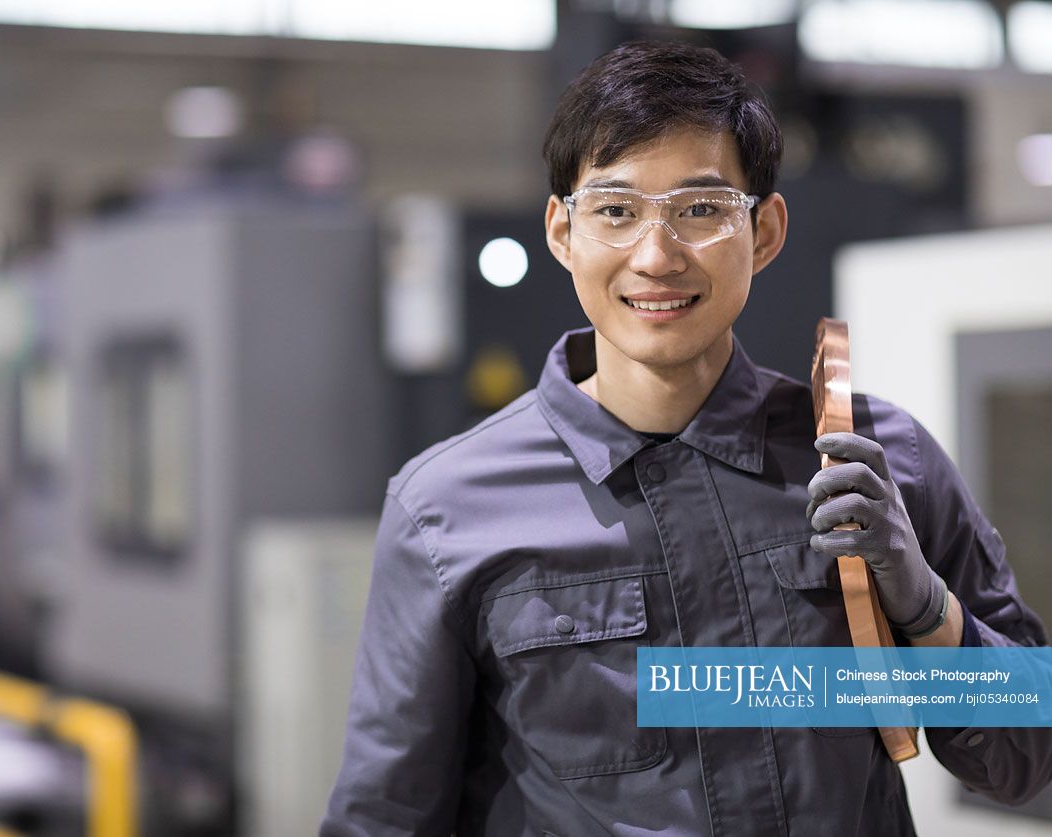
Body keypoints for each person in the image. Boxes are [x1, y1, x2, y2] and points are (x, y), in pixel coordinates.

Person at [321, 40, 1051, 835]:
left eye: (700, 209)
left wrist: (928, 608)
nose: (655, 256)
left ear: (763, 230)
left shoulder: (876, 458)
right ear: (562, 232)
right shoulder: (446, 509)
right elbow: (383, 818)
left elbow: (1024, 757)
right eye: (615, 210)